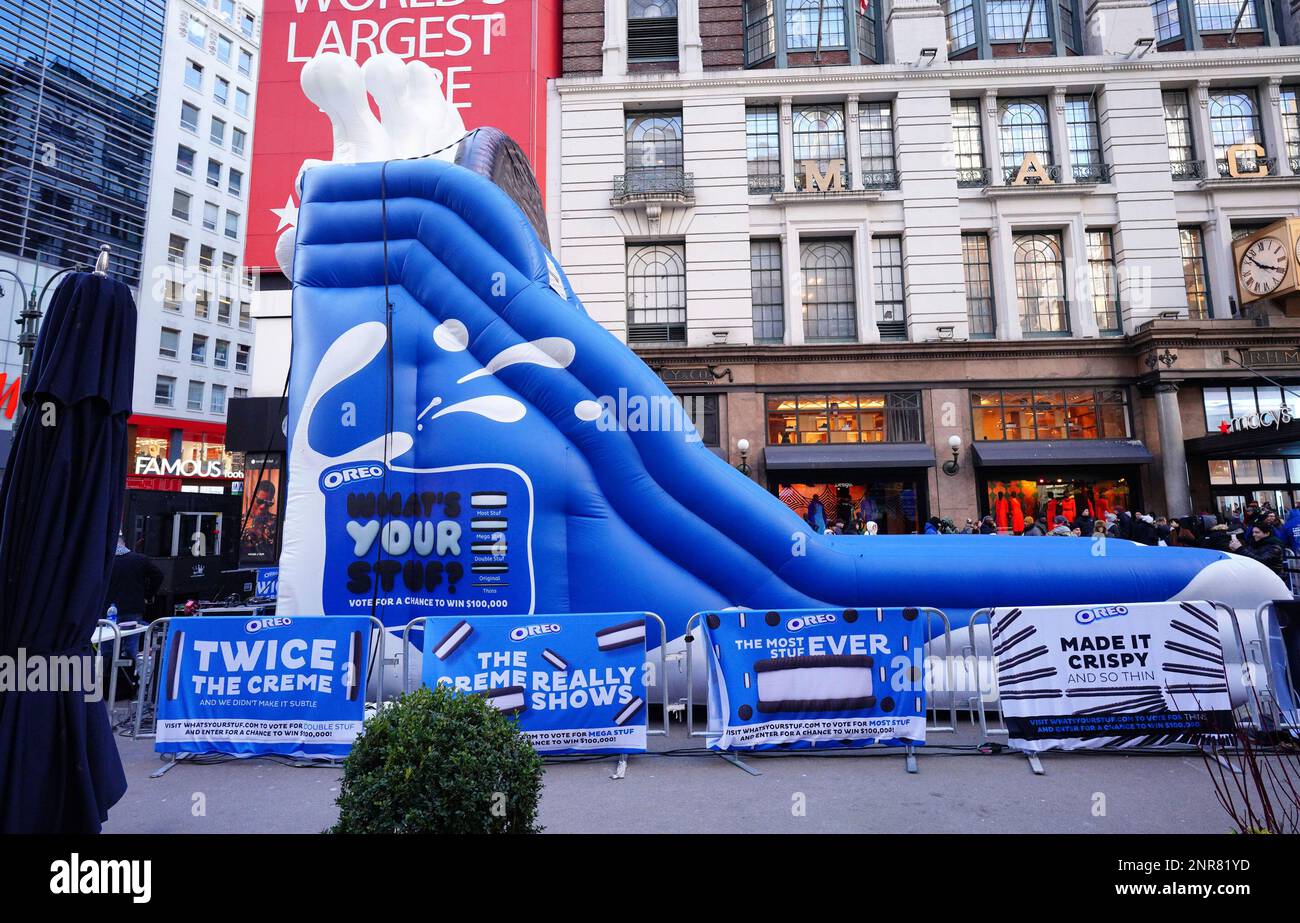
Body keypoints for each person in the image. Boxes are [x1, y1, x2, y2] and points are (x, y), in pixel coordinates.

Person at [103, 535, 164, 698]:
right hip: (132, 609)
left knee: (107, 648)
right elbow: (158, 575)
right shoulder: (139, 559)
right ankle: (133, 684)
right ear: (124, 543)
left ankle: (105, 685)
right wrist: (147, 594)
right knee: (131, 648)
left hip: (108, 610)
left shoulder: (104, 560)